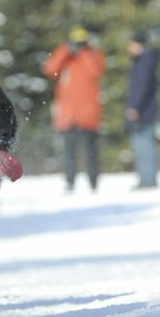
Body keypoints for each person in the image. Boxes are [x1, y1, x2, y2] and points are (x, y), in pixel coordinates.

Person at [42, 25, 106, 192]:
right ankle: (70, 182)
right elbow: (49, 69)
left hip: (88, 112)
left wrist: (84, 53)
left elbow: (96, 71)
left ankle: (93, 182)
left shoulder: (93, 54)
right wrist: (64, 50)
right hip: (68, 113)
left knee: (90, 151)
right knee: (68, 151)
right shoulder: (66, 57)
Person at [125, 31, 160, 189]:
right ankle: (146, 177)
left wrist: (134, 106)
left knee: (143, 145)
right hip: (144, 109)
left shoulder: (144, 61)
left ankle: (148, 178)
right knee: (142, 144)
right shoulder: (143, 60)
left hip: (143, 111)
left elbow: (141, 86)